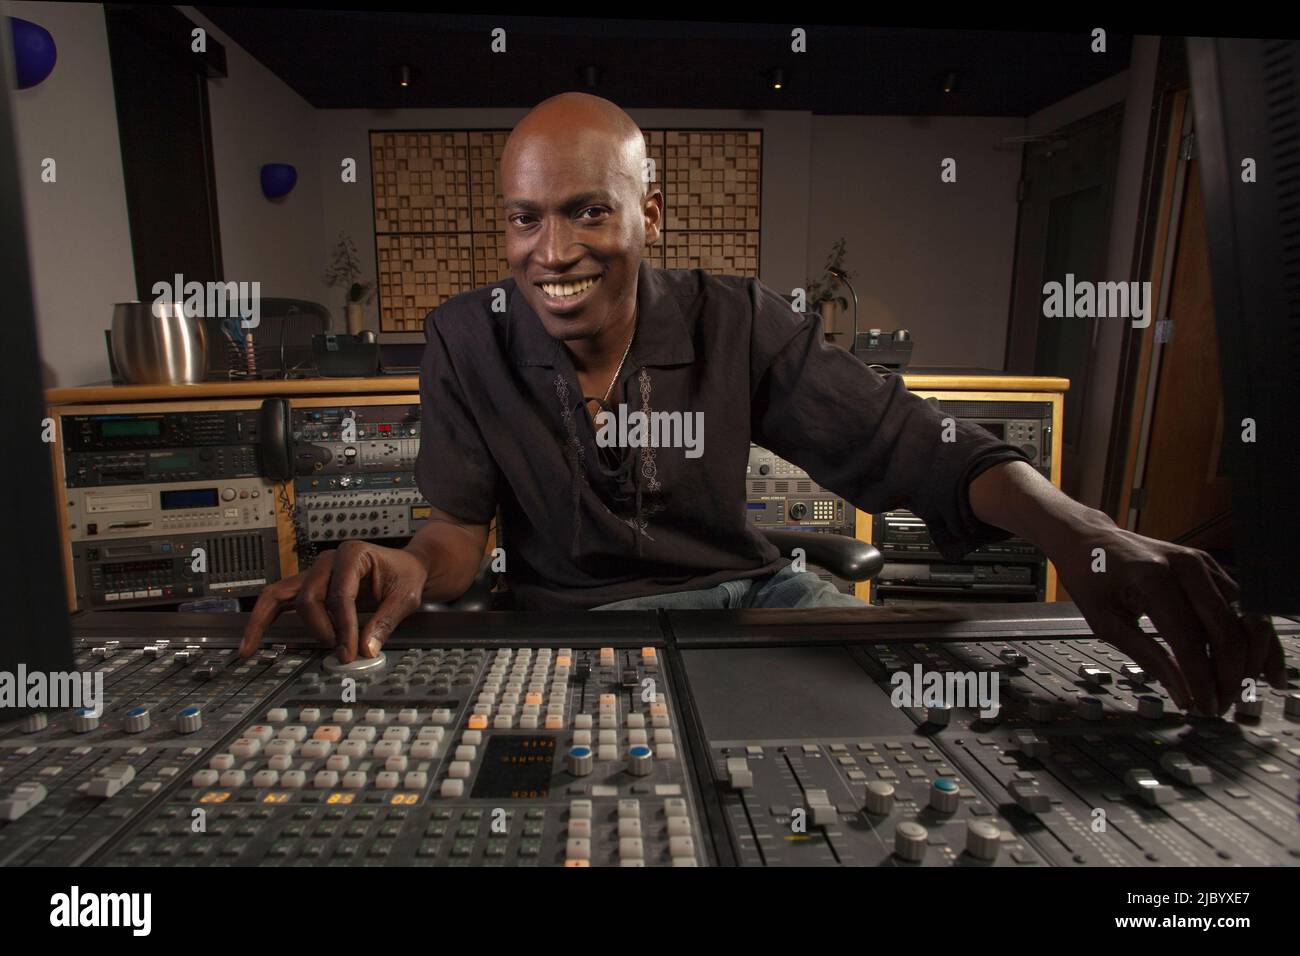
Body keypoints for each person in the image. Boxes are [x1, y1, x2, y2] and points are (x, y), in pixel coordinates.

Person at [241, 93, 1285, 716]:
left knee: (948, 713)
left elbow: (905, 444)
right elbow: (457, 536)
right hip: (565, 628)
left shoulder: (739, 318)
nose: (549, 251)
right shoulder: (464, 337)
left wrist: (1089, 536)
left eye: (585, 211)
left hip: (756, 605)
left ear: (651, 212)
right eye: (524, 219)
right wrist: (411, 564)